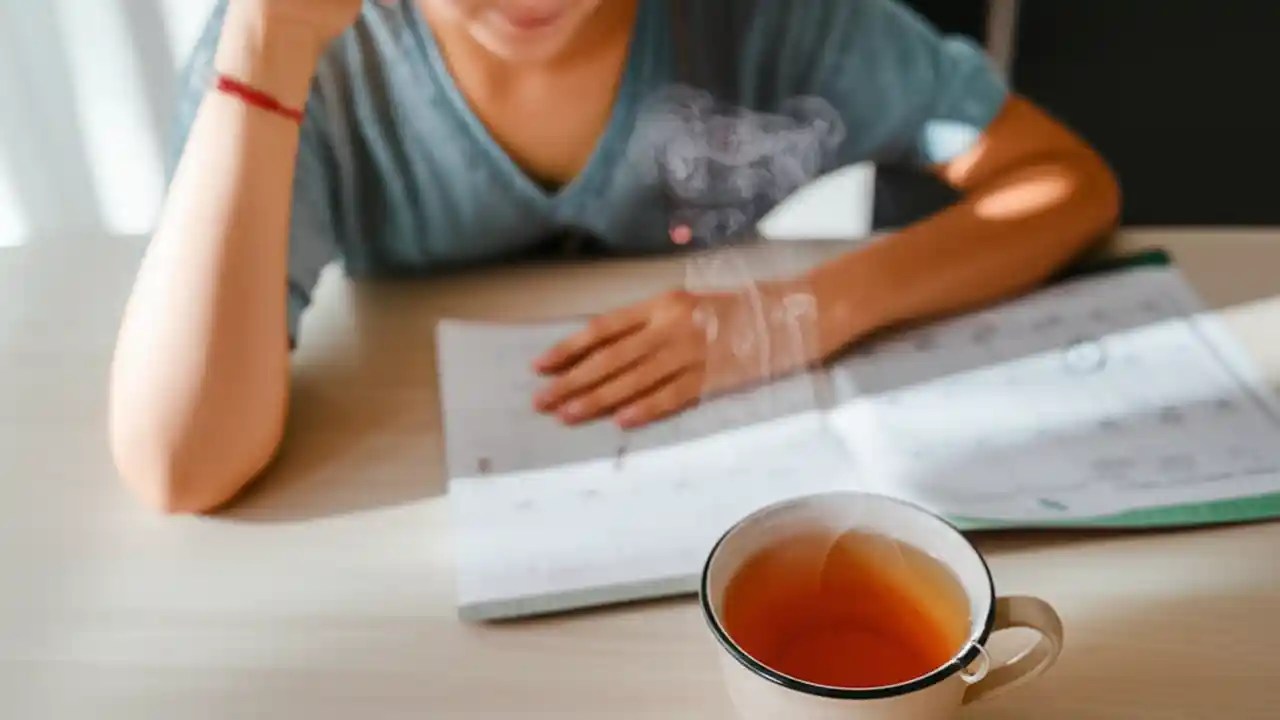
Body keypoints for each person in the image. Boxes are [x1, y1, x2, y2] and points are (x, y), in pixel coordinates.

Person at [109, 0, 1120, 514]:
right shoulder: (301, 52)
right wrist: (259, 58)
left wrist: (803, 310)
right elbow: (179, 465)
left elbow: (1062, 184)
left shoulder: (774, 22)